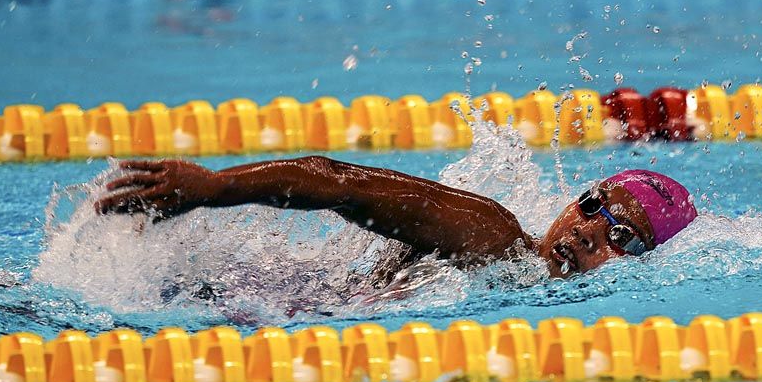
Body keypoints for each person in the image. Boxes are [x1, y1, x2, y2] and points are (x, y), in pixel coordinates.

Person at [95, 156, 697, 279]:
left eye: (622, 236)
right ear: (574, 200)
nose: (590, 231)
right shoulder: (492, 235)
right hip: (270, 304)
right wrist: (215, 186)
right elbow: (341, 185)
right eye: (594, 207)